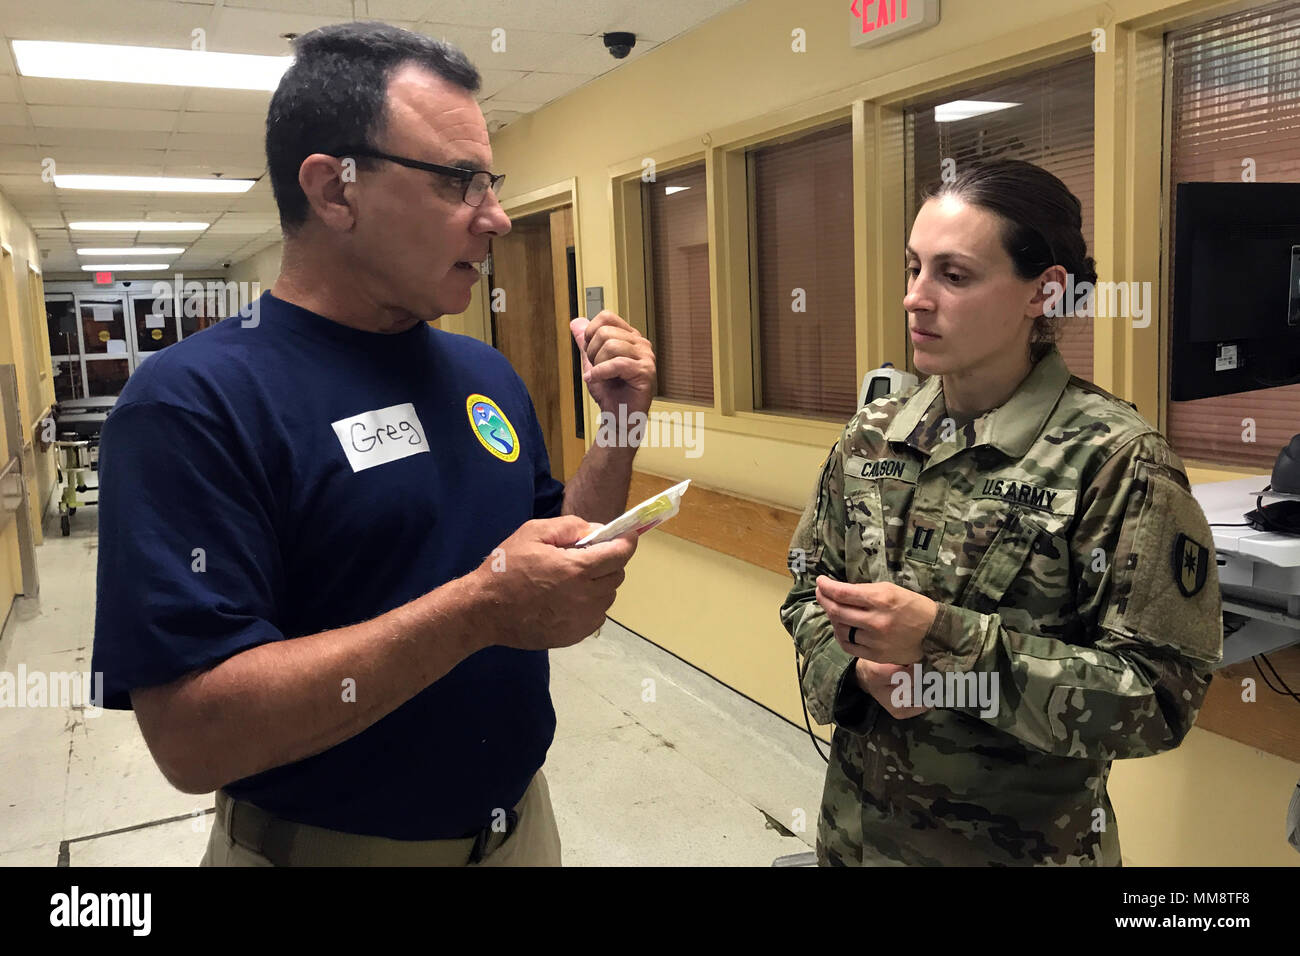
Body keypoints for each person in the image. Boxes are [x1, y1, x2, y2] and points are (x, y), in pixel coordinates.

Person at [90, 21, 656, 867]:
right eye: (459, 182)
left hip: (519, 832)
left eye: (490, 181)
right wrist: (475, 609)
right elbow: (192, 740)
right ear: (335, 190)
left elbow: (553, 581)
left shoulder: (483, 375)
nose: (495, 216)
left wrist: (617, 431)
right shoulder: (192, 403)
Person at [780, 159, 1222, 866]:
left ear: (1042, 292)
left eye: (953, 276)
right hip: (857, 840)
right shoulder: (873, 434)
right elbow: (807, 594)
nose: (915, 299)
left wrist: (946, 642)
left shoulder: (1115, 459)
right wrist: (858, 672)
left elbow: (1158, 699)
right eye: (913, 268)